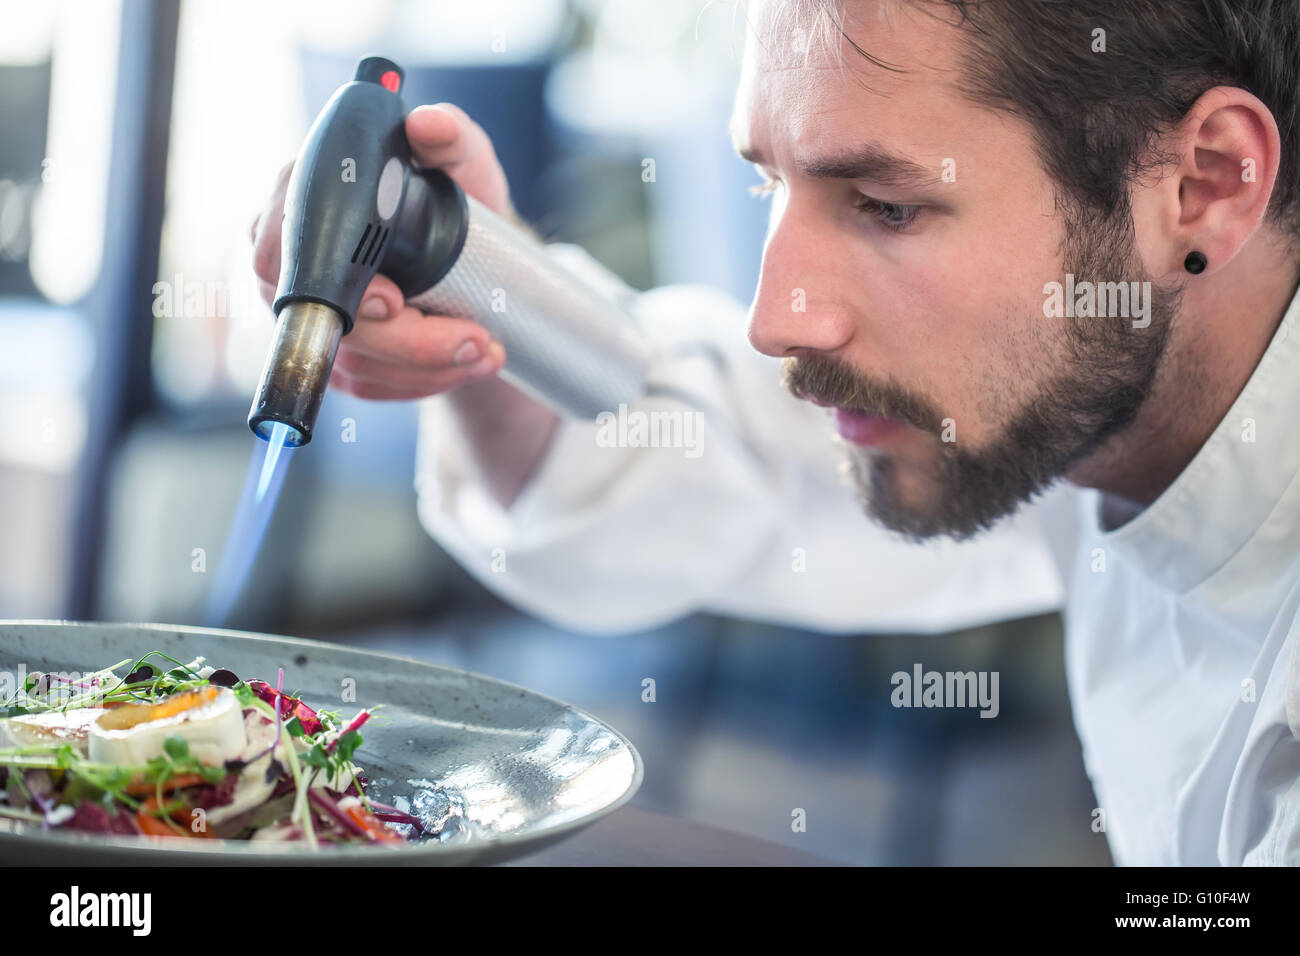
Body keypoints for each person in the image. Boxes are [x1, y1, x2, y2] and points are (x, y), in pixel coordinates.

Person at [253, 0, 1300, 865]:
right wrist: (479, 285)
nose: (776, 319)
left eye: (885, 205)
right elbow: (719, 453)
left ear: (1203, 184)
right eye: (770, 181)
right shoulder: (1084, 399)